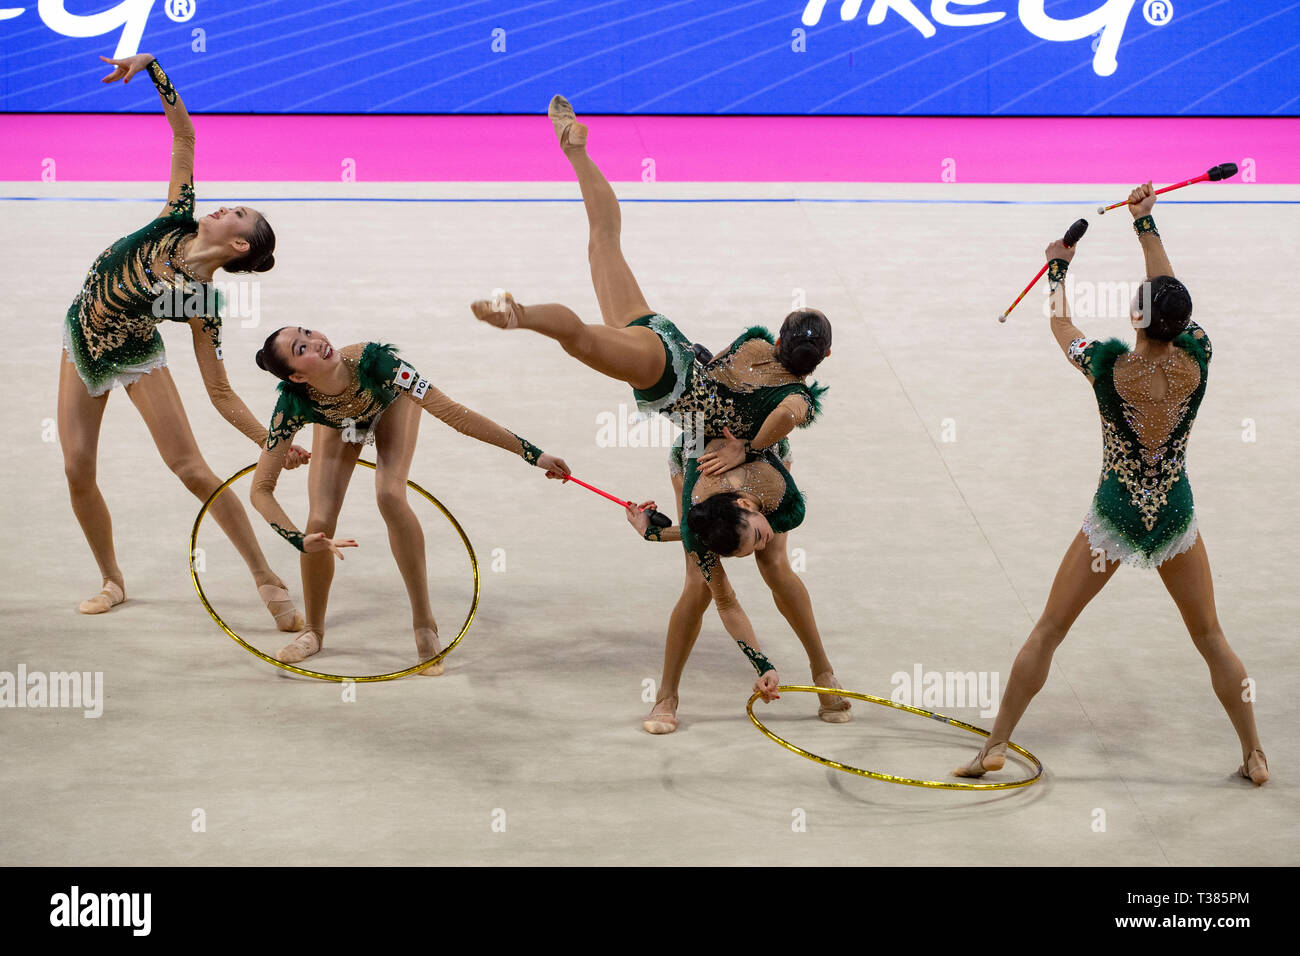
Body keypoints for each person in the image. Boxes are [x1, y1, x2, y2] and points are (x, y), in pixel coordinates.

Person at [471, 95, 838, 702]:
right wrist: (745, 440)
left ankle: (576, 151)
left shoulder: (759, 355)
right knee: (585, 333)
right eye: (754, 533)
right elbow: (787, 414)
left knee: (604, 244)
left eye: (753, 533)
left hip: (694, 396)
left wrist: (652, 530)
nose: (761, 537)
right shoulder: (772, 408)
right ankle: (669, 692)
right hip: (671, 376)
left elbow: (769, 434)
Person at [954, 183, 1267, 785]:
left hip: (1117, 511)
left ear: (1134, 316)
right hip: (1172, 512)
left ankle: (994, 745)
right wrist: (1145, 225)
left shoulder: (1106, 365)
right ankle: (1253, 751)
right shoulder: (1198, 355)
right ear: (1183, 323)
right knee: (1210, 636)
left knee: (1048, 630)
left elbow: (1060, 322)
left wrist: (1057, 267)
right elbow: (1172, 299)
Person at [59, 52, 305, 629]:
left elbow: (219, 391)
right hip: (81, 339)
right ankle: (111, 580)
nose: (224, 206)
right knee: (76, 468)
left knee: (190, 466)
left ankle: (267, 580)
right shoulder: (179, 214)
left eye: (237, 213)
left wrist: (271, 442)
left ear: (240, 245)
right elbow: (185, 134)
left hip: (132, 352)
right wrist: (152, 68)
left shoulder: (197, 300)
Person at [250, 328, 570, 670]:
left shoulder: (377, 362)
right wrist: (297, 539)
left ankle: (424, 625)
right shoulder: (294, 404)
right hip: (339, 421)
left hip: (390, 404)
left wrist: (531, 453)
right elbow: (260, 489)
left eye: (307, 332)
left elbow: (453, 414)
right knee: (320, 521)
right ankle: (312, 632)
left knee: (389, 494)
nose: (316, 341)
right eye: (302, 348)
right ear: (297, 376)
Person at [635, 436, 850, 733]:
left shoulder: (781, 496)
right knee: (698, 586)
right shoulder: (698, 512)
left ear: (748, 505)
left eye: (758, 537)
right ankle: (666, 695)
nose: (760, 545)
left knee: (774, 566)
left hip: (763, 452)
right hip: (695, 453)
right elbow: (726, 601)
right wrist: (763, 665)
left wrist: (657, 534)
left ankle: (823, 672)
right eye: (748, 550)